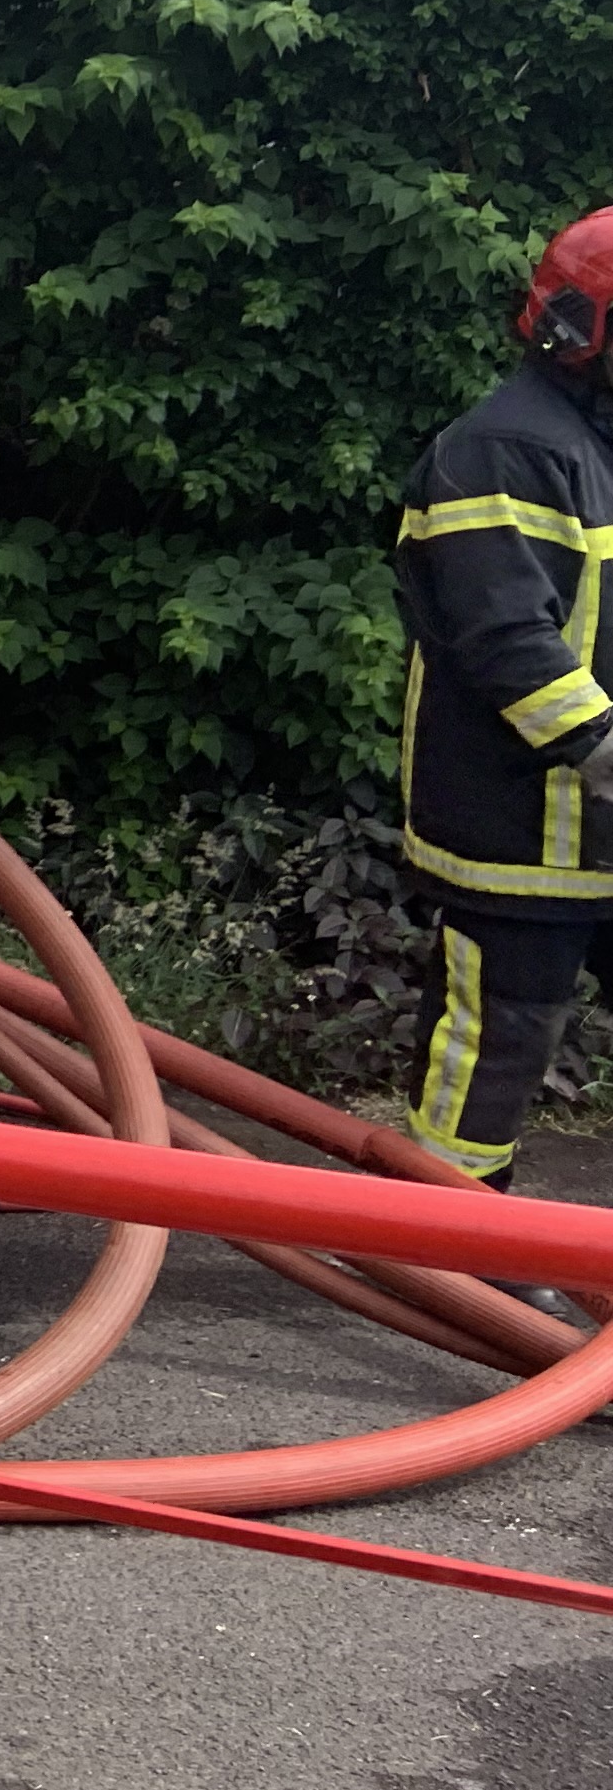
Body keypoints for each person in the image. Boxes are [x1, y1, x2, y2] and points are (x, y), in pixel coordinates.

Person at [391, 208, 613, 1244]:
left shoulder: (596, 446)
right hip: (519, 832)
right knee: (499, 1038)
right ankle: (449, 1247)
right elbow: (504, 636)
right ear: (581, 328)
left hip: (600, 832)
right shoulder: (505, 448)